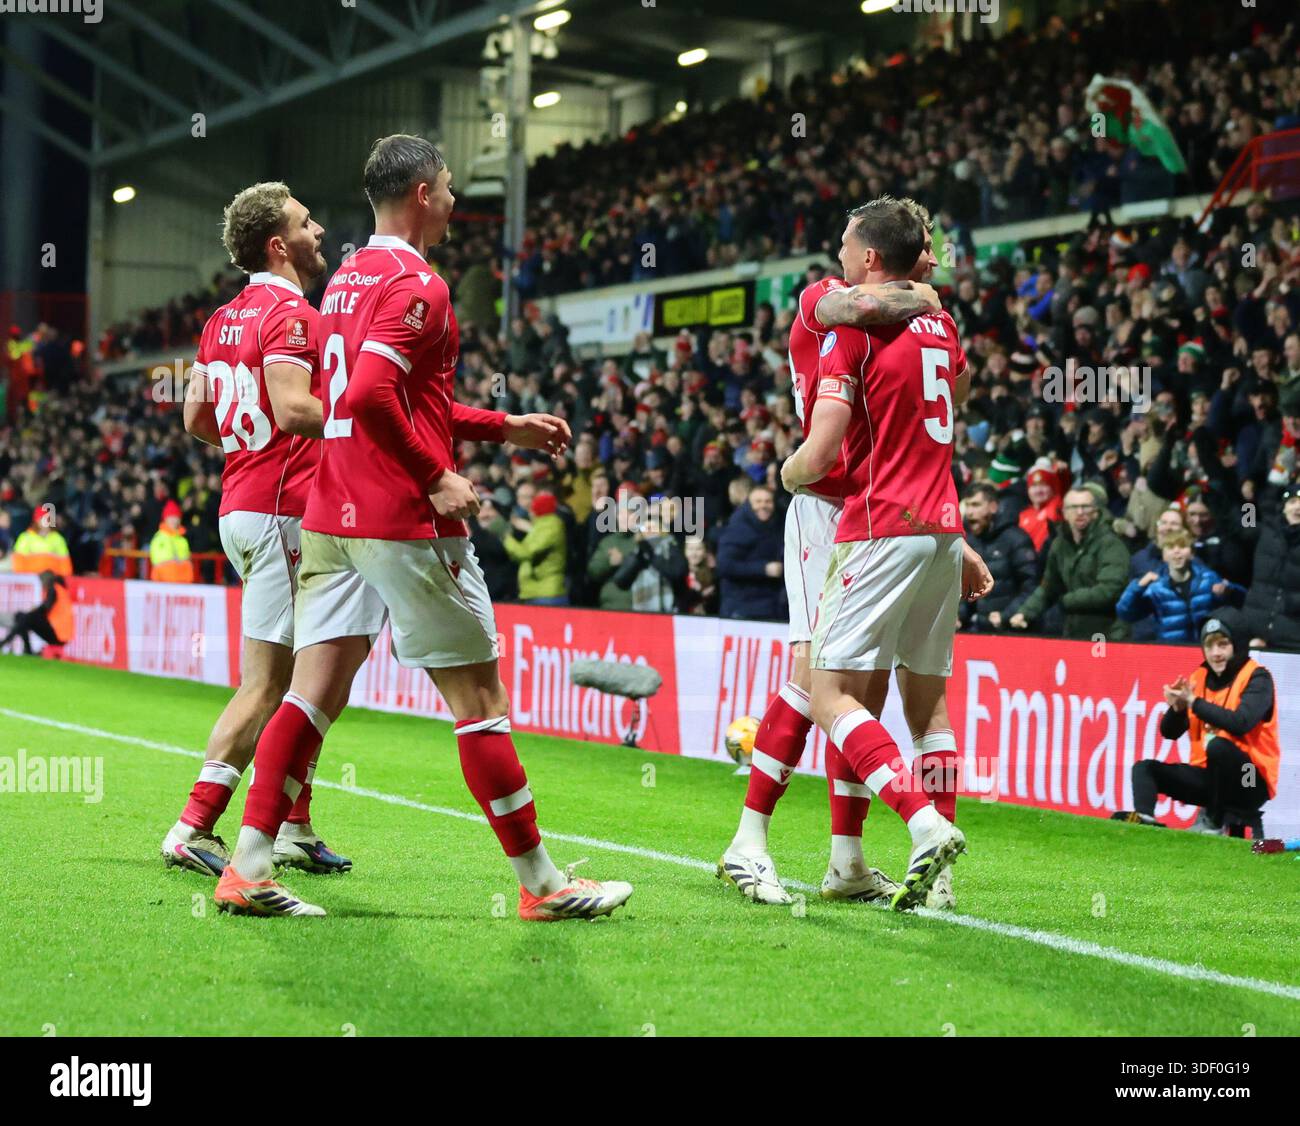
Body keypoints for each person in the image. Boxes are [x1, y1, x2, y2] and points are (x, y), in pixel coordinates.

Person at [216, 135, 630, 920]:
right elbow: (374, 395)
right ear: (420, 195)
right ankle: (543, 886)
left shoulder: (343, 281)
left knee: (308, 698)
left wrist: (497, 426)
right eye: (445, 188)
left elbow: (379, 398)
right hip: (399, 520)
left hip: (329, 514)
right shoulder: (420, 285)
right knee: (479, 698)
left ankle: (248, 866)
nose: (451, 201)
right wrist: (436, 473)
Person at [717, 202, 974, 906]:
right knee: (813, 679)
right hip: (832, 509)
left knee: (862, 692)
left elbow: (913, 438)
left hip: (881, 509)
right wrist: (926, 291)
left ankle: (849, 861)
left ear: (866, 253)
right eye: (925, 252)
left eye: (844, 244)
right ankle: (749, 841)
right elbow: (857, 302)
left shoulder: (900, 321)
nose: (834, 253)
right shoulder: (824, 306)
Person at [163, 181, 339, 878]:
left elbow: (196, 420)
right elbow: (297, 411)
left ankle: (293, 825)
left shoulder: (223, 317)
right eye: (305, 222)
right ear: (278, 244)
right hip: (281, 513)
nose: (319, 230)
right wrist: (380, 421)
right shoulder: (292, 314)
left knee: (310, 677)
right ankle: (192, 825)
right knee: (269, 684)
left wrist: (248, 443)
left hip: (243, 505)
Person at [1116, 617, 1279, 830]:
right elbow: (1169, 733)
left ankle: (1214, 821)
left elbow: (1241, 723)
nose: (1215, 653)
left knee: (1218, 747)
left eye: (1223, 644)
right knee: (1145, 768)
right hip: (1210, 779)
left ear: (1236, 645)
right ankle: (1145, 823)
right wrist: (1178, 709)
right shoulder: (1199, 678)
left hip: (1250, 780)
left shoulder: (1258, 677)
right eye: (1209, 646)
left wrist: (1194, 702)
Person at [1010, 487, 1129, 639]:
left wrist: (1066, 600)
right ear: (1065, 513)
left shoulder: (1111, 544)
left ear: (1095, 512)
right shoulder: (1059, 544)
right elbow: (1048, 587)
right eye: (1073, 507)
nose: (1080, 512)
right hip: (1073, 632)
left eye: (1085, 507)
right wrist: (1025, 612)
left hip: (1109, 632)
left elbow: (1109, 590)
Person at [1116, 529, 1245, 642]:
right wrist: (1137, 586)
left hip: (1204, 650)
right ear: (1164, 555)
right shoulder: (1156, 588)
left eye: (1182, 546)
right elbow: (1125, 613)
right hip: (1171, 653)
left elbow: (1242, 601)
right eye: (1171, 547)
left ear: (1192, 553)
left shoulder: (1208, 579)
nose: (1177, 551)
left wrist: (1230, 591)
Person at [959, 482, 1038, 632]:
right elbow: (963, 584)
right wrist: (960, 615)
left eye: (976, 505)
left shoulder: (1015, 539)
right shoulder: (967, 541)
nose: (969, 512)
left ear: (993, 507)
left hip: (1011, 629)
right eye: (967, 505)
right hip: (977, 628)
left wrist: (1006, 615)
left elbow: (1032, 584)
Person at [1236, 487, 1300, 651]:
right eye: (1292, 502)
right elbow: (1245, 525)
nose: (1297, 507)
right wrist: (1248, 503)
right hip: (1252, 626)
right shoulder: (1266, 531)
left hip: (1292, 634)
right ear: (1283, 507)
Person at [715, 485, 785, 620]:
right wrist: (763, 569)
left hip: (773, 606)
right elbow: (724, 565)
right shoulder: (737, 528)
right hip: (741, 607)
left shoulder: (780, 525)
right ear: (749, 504)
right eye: (758, 501)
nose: (763, 506)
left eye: (767, 501)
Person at [501, 490, 567, 605]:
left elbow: (526, 553)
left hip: (546, 593)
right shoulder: (540, 526)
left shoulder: (551, 525)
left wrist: (506, 537)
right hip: (534, 591)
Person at [0, 570, 72, 654]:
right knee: (24, 618)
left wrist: (31, 613)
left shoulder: (54, 589)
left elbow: (45, 608)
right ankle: (26, 650)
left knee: (26, 618)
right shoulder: (59, 589)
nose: (42, 584)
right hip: (59, 634)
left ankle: (6, 643)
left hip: (59, 635)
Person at [11, 503, 72, 576]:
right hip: (32, 580)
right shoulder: (25, 537)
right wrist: (22, 579)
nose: (46, 522)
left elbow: (65, 562)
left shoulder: (58, 538)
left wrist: (65, 578)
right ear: (36, 521)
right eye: (43, 519)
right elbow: (18, 561)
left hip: (52, 580)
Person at [149, 500, 194, 582]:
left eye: (176, 517)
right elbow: (158, 561)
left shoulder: (183, 540)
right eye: (170, 517)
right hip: (163, 584)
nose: (174, 520)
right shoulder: (159, 537)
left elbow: (188, 560)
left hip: (182, 583)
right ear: (165, 519)